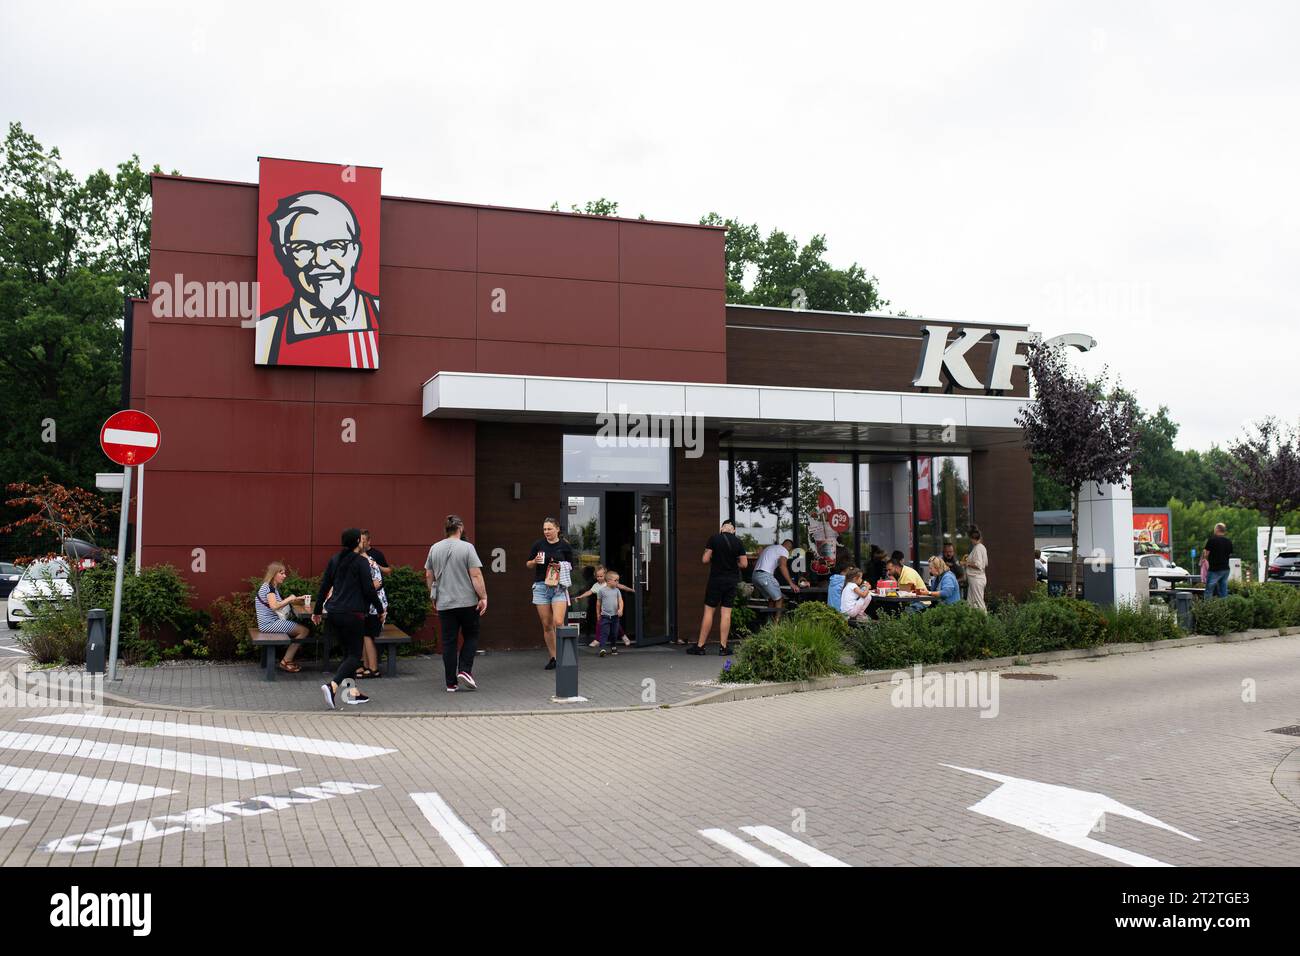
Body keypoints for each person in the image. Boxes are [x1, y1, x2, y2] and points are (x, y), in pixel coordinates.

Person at [254, 191, 382, 369]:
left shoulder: (380, 314)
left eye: (335, 245)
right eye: (304, 247)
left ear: (355, 252)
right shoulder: (266, 332)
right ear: (285, 256)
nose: (321, 261)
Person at [314, 528, 383, 708]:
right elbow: (369, 590)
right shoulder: (361, 562)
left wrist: (317, 611)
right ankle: (333, 686)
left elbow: (324, 586)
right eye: (361, 540)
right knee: (354, 655)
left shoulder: (335, 559)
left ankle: (352, 693)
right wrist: (380, 608)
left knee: (347, 654)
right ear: (357, 542)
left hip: (334, 613)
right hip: (353, 614)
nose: (362, 543)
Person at [425, 514, 487, 693]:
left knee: (449, 642)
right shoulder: (467, 548)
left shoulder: (434, 548)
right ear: (460, 528)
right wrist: (483, 597)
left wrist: (433, 596)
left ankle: (450, 683)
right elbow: (475, 575)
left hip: (444, 603)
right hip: (467, 602)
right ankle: (465, 670)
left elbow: (429, 575)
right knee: (471, 636)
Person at [689, 520, 749, 656]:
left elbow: (705, 559)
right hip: (731, 581)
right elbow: (744, 564)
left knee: (709, 612)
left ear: (721, 528)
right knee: (726, 613)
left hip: (716, 580)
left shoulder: (714, 538)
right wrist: (733, 564)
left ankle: (700, 646)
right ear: (733, 530)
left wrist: (716, 560)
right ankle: (723, 647)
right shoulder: (738, 542)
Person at [527, 517, 575, 670]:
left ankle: (563, 655)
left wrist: (560, 565)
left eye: (549, 529)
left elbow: (572, 565)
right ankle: (554, 657)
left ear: (557, 529)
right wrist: (535, 561)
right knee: (547, 625)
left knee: (558, 622)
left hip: (558, 588)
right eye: (544, 529)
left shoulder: (565, 546)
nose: (546, 532)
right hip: (541, 587)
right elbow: (528, 564)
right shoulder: (538, 544)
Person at [255, 561, 311, 673]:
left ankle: (286, 660)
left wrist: (299, 598)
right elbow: (274, 606)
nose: (284, 576)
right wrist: (290, 599)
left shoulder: (270, 587)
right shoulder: (269, 589)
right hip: (269, 625)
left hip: (270, 623)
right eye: (282, 573)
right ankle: (286, 661)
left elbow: (280, 603)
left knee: (303, 630)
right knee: (304, 631)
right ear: (274, 574)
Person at [357, 546, 388, 679]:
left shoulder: (366, 563)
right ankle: (367, 665)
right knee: (365, 635)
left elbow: (374, 585)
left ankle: (373, 668)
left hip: (373, 608)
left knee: (367, 635)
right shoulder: (369, 562)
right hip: (372, 607)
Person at [753, 538, 799, 621]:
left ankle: (769, 623)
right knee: (779, 599)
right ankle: (776, 625)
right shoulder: (784, 550)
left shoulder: (770, 548)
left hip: (755, 576)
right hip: (765, 575)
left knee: (772, 598)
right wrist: (791, 583)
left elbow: (755, 563)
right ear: (790, 548)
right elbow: (782, 566)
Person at [589, 570, 625, 657]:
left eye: (618, 580)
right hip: (605, 616)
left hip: (615, 616)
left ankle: (613, 646)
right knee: (604, 633)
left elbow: (620, 601)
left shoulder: (617, 591)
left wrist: (621, 609)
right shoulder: (602, 591)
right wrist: (598, 614)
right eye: (615, 580)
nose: (617, 582)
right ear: (608, 581)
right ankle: (602, 648)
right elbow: (598, 603)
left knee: (614, 633)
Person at [1203, 523, 1234, 599]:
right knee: (1223, 591)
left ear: (1217, 529)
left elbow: (1206, 554)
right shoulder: (1229, 542)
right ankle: (1224, 608)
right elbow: (1229, 555)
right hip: (1226, 569)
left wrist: (1208, 559)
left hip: (1215, 569)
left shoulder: (1212, 540)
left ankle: (1207, 608)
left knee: (1209, 591)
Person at [963, 526, 989, 611]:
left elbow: (978, 565)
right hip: (977, 578)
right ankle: (973, 621)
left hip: (976, 578)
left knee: (978, 602)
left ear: (972, 538)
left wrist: (966, 563)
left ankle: (985, 622)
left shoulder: (978, 548)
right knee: (971, 602)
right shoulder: (981, 547)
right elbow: (984, 563)